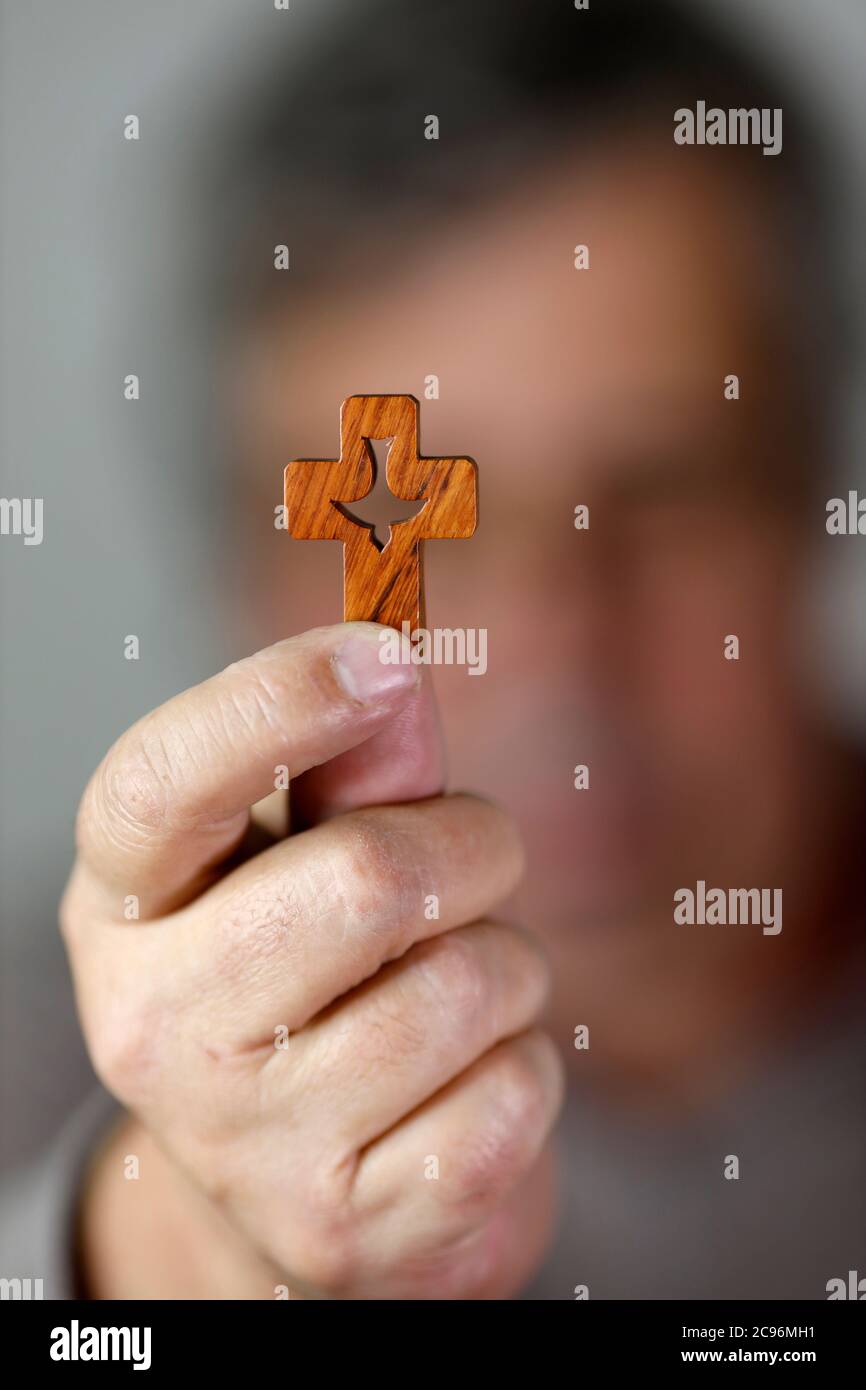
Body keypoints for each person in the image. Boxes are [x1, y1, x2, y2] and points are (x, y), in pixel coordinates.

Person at [3, 0, 863, 1299]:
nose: (552, 640)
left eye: (666, 486)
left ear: (811, 489)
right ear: (246, 563)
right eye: (407, 525)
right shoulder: (40, 1056)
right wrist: (178, 1245)